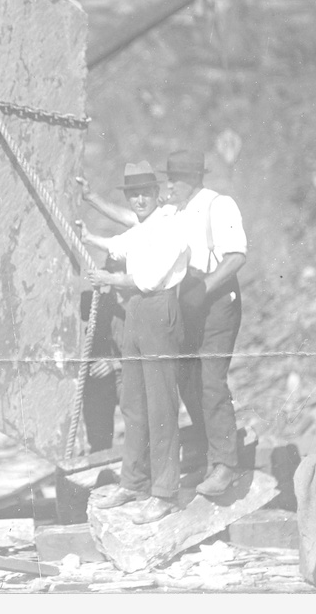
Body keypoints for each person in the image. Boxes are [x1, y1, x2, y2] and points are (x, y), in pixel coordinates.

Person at [83, 161, 190, 525]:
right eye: (133, 194)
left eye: (145, 192)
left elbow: (149, 277)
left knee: (161, 405)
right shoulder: (142, 227)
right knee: (133, 403)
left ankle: (165, 493)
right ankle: (134, 482)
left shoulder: (173, 224)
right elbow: (117, 243)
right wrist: (82, 236)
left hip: (158, 308)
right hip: (135, 313)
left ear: (158, 194)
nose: (140, 199)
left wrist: (110, 276)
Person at [160, 150, 247, 497]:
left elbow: (237, 255)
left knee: (211, 380)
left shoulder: (219, 205)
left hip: (218, 302)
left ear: (194, 179)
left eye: (176, 179)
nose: (170, 185)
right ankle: (209, 456)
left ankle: (226, 465)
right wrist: (93, 202)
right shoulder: (173, 210)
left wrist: (206, 289)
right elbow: (133, 222)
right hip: (189, 302)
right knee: (187, 380)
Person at [80, 262, 126, 454]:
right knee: (93, 387)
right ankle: (99, 451)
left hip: (132, 372)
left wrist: (115, 364)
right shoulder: (101, 302)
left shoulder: (143, 303)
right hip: (108, 375)